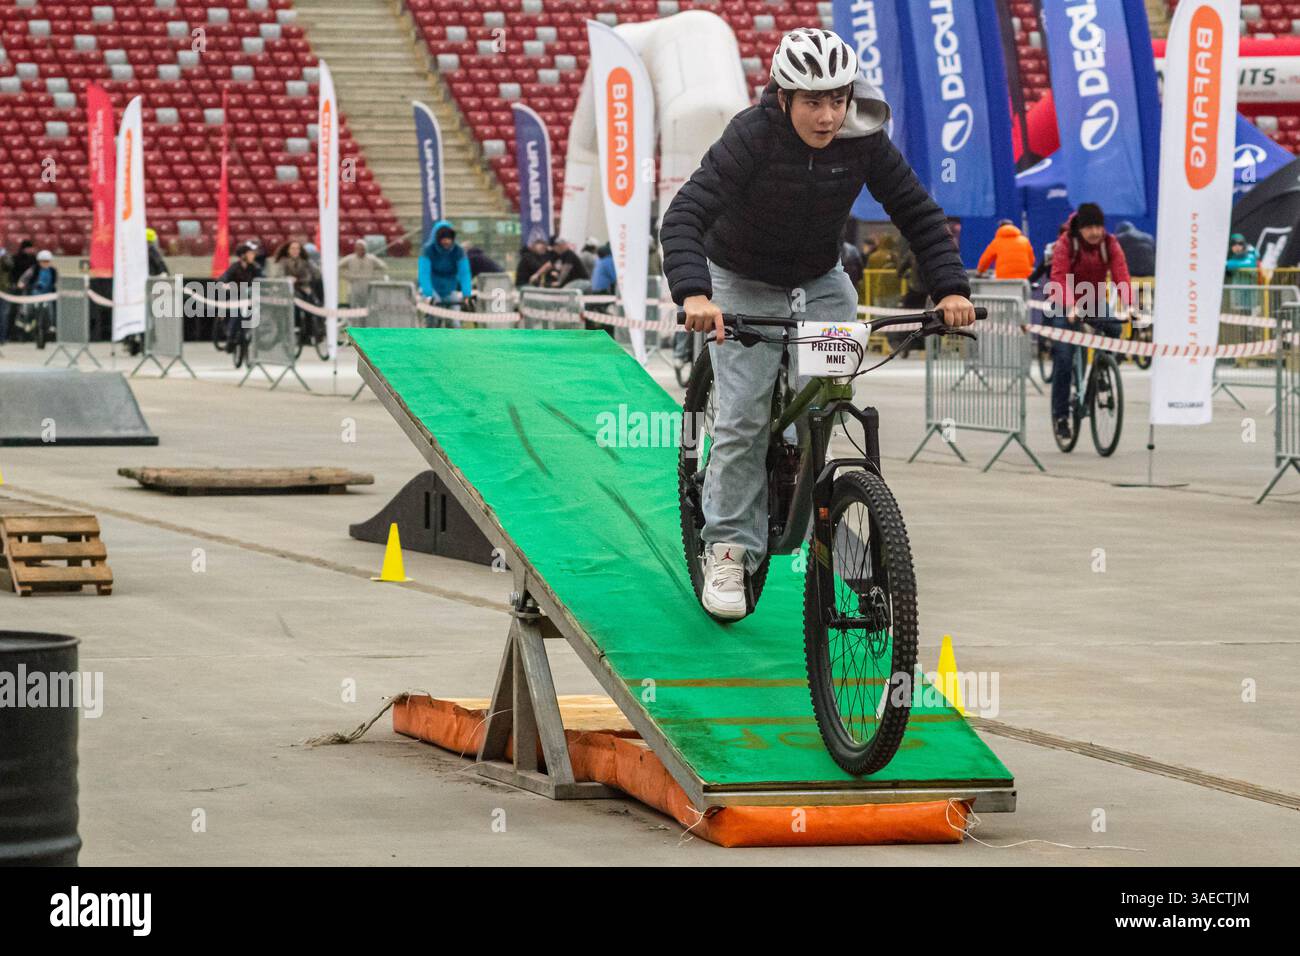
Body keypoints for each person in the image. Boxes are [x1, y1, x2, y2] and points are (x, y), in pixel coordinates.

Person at [662, 27, 974, 621]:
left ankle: (826, 508)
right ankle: (728, 544)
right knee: (744, 417)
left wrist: (951, 288)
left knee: (823, 407)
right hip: (740, 277)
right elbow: (684, 216)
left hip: (820, 278)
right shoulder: (751, 137)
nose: (827, 115)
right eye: (812, 101)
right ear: (783, 97)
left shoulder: (863, 138)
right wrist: (695, 293)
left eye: (837, 99)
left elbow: (918, 213)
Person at [1047, 202, 1132, 441]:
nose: (1095, 233)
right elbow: (1059, 277)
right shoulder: (1066, 243)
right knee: (1064, 359)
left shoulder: (1110, 243)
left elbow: (1121, 274)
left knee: (1115, 326)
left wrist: (1131, 305)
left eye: (1099, 227)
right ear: (1080, 228)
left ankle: (1102, 369)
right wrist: (1070, 305)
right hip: (1064, 301)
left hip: (1093, 299)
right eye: (1089, 228)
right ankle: (1061, 416)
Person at [217, 241, 263, 351]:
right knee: (236, 314)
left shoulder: (255, 267)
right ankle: (230, 338)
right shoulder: (234, 267)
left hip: (249, 298)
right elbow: (224, 278)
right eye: (251, 253)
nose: (253, 256)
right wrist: (225, 284)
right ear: (243, 255)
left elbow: (262, 279)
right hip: (235, 297)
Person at [421, 220, 473, 309]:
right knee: (434, 312)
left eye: (449, 237)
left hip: (449, 290)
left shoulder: (459, 251)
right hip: (432, 289)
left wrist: (467, 294)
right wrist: (428, 294)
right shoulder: (427, 250)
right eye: (443, 237)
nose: (446, 241)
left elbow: (464, 274)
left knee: (455, 317)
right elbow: (424, 274)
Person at [16, 250, 59, 348]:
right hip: (34, 296)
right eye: (43, 261)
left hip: (47, 296)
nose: (45, 263)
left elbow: (57, 282)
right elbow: (23, 279)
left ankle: (52, 325)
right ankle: (25, 321)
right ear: (39, 261)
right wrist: (21, 284)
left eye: (47, 261)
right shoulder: (33, 270)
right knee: (27, 309)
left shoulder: (53, 271)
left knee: (51, 309)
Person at [339, 239, 388, 308]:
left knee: (367, 307)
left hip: (367, 285)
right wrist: (348, 276)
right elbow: (338, 267)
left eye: (363, 249)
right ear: (355, 249)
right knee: (353, 306)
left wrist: (374, 276)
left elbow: (383, 267)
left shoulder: (371, 258)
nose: (361, 251)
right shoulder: (350, 259)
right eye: (359, 249)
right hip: (354, 285)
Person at [0, 244, 13, 345]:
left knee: (3, 316)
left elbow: (9, 266)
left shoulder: (4, 255)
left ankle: (2, 338)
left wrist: (3, 258)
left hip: (3, 291)